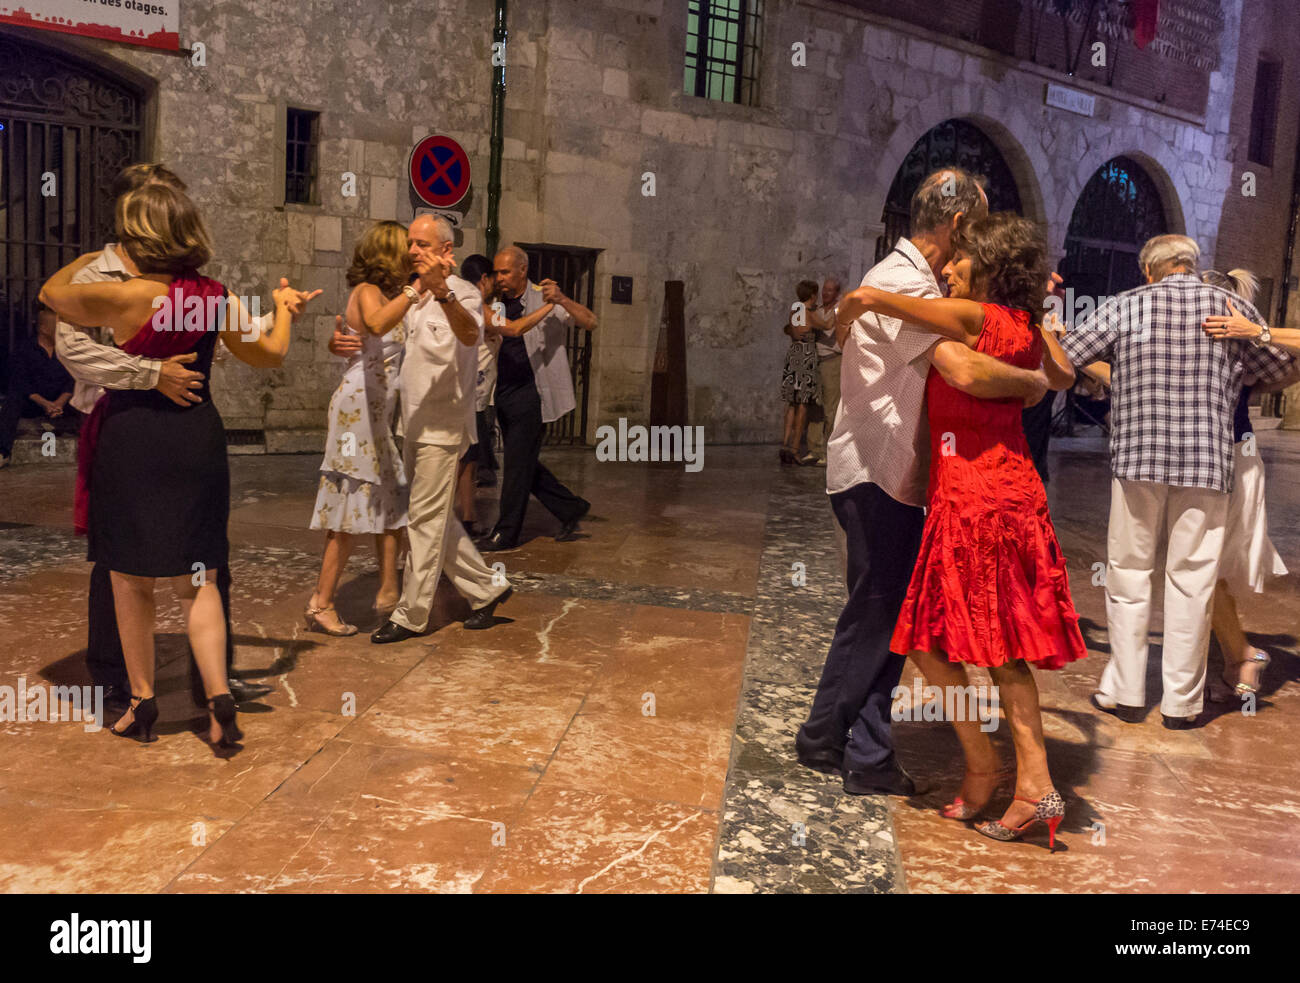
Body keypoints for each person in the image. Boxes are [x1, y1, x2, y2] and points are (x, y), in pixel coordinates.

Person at [795, 168, 1050, 798]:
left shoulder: (904, 283)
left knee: (880, 616)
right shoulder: (908, 284)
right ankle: (852, 746)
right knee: (884, 617)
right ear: (960, 225)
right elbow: (963, 368)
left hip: (886, 472)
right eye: (979, 229)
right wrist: (1033, 383)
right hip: (879, 472)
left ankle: (839, 739)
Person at [836, 212, 1084, 850]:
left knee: (987, 647)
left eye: (961, 259)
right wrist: (1037, 356)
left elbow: (963, 367)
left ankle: (1025, 781)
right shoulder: (1022, 322)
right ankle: (1000, 770)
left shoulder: (975, 318)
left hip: (980, 497)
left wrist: (860, 299)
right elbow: (1061, 375)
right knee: (953, 641)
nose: (947, 267)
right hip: (998, 489)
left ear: (990, 267)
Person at [39, 181, 312, 749]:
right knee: (200, 579)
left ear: (136, 235)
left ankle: (142, 702)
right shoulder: (214, 295)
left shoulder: (128, 296)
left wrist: (96, 255)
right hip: (197, 440)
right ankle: (217, 697)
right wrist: (283, 310)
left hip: (132, 438)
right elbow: (270, 352)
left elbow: (53, 292)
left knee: (129, 578)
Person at [1059, 235, 1294, 728]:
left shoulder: (1127, 304)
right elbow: (1275, 371)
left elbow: (1068, 354)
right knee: (1193, 579)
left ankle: (1124, 692)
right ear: (1190, 264)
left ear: (1149, 271)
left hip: (1138, 459)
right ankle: (1182, 705)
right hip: (1208, 463)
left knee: (1128, 573)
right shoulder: (1230, 306)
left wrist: (1122, 372)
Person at [371, 216, 513, 644]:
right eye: (410, 243)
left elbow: (472, 336)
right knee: (431, 517)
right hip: (412, 423)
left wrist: (445, 293)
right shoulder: (413, 297)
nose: (412, 250)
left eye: (421, 243)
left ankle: (411, 614)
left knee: (426, 523)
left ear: (445, 251)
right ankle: (487, 588)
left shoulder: (464, 294)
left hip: (444, 426)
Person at [306, 221, 415, 636]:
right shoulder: (368, 292)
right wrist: (413, 291)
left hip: (377, 413)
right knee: (350, 510)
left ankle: (388, 590)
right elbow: (374, 325)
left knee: (389, 499)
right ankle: (321, 602)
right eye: (409, 249)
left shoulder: (394, 297)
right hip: (356, 412)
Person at [1201, 269, 1294, 697]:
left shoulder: (1243, 339)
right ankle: (1235, 656)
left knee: (1202, 564)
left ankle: (1244, 654)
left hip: (1229, 459)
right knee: (1206, 565)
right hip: (1227, 457)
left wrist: (1256, 331)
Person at [476, 245, 595, 552]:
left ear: (522, 270)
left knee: (516, 465)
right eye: (497, 272)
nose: (500, 278)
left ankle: (506, 533)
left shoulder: (545, 296)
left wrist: (562, 299)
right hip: (501, 390)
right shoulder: (496, 301)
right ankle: (570, 507)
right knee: (523, 461)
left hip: (533, 393)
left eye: (505, 272)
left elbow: (590, 321)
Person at [454, 252, 501, 536]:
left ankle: (468, 517)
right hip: (469, 395)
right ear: (485, 279)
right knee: (464, 456)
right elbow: (513, 329)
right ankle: (454, 518)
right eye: (496, 276)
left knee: (470, 458)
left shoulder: (473, 305)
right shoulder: (476, 306)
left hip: (479, 396)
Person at [0, 301, 80, 466]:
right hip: (34, 403)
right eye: (57, 326)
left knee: (89, 396)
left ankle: (93, 451)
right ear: (43, 328)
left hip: (61, 403)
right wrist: (45, 404)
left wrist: (58, 403)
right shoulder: (24, 349)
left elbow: (72, 380)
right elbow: (21, 382)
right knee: (13, 399)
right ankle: (3, 452)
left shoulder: (66, 351)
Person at [778, 280, 822, 465]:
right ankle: (795, 449)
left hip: (793, 353)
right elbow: (827, 325)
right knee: (803, 402)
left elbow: (791, 330)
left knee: (791, 403)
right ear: (812, 294)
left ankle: (785, 444)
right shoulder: (808, 312)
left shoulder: (795, 310)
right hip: (805, 354)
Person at [804, 276, 843, 467]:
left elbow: (828, 327)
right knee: (815, 406)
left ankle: (829, 452)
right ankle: (814, 449)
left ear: (836, 293)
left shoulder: (839, 310)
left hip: (832, 361)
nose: (825, 293)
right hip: (816, 361)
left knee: (831, 408)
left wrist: (807, 315)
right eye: (824, 290)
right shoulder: (817, 310)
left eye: (830, 290)